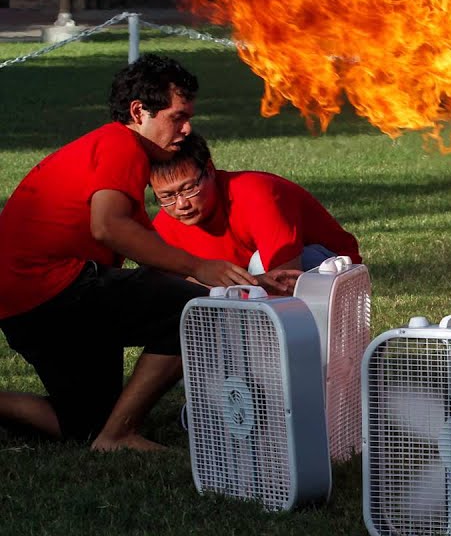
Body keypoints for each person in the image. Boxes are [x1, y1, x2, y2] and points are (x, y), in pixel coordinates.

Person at [0, 55, 268, 452]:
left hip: (23, 306)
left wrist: (245, 282)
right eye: (178, 117)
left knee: (84, 425)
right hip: (53, 289)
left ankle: (103, 431)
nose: (187, 128)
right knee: (197, 315)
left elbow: (153, 253)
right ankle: (120, 435)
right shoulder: (121, 144)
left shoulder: (106, 150)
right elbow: (108, 227)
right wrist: (198, 267)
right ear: (139, 111)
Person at [149, 131, 361, 278]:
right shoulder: (164, 227)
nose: (181, 204)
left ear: (210, 170)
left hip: (331, 271)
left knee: (260, 265)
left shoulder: (256, 193)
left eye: (189, 189)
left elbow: (285, 279)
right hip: (250, 285)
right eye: (166, 196)